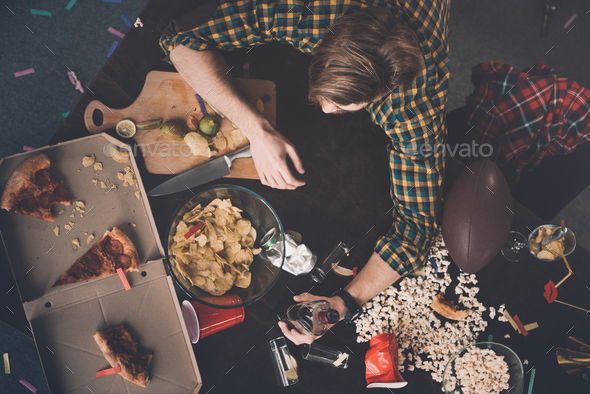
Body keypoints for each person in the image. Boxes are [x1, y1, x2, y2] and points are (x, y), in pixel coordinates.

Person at [160, 0, 449, 344]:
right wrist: (257, 130)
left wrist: (345, 301)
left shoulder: (416, 107)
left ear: (385, 92)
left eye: (342, 106)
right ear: (322, 43)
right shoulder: (305, 12)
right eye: (324, 91)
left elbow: (415, 230)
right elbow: (178, 41)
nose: (326, 109)